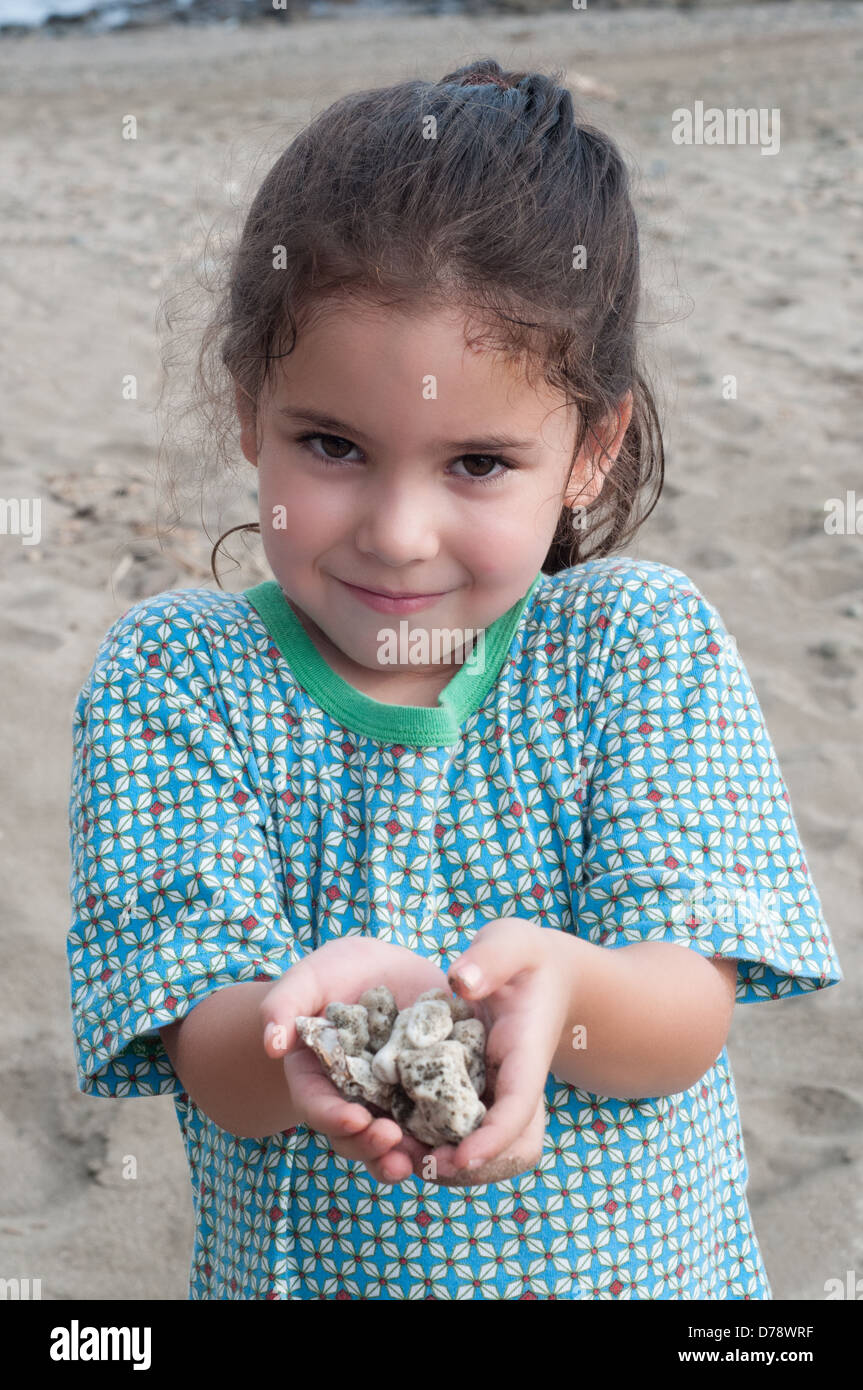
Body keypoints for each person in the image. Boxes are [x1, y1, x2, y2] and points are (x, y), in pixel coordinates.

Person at [65, 57, 842, 1300]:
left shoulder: (636, 647)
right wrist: (304, 1034)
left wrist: (566, 997)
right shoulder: (176, 678)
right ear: (248, 409)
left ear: (589, 451)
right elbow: (208, 1049)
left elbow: (686, 1012)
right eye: (332, 446)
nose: (398, 531)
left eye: (477, 462)